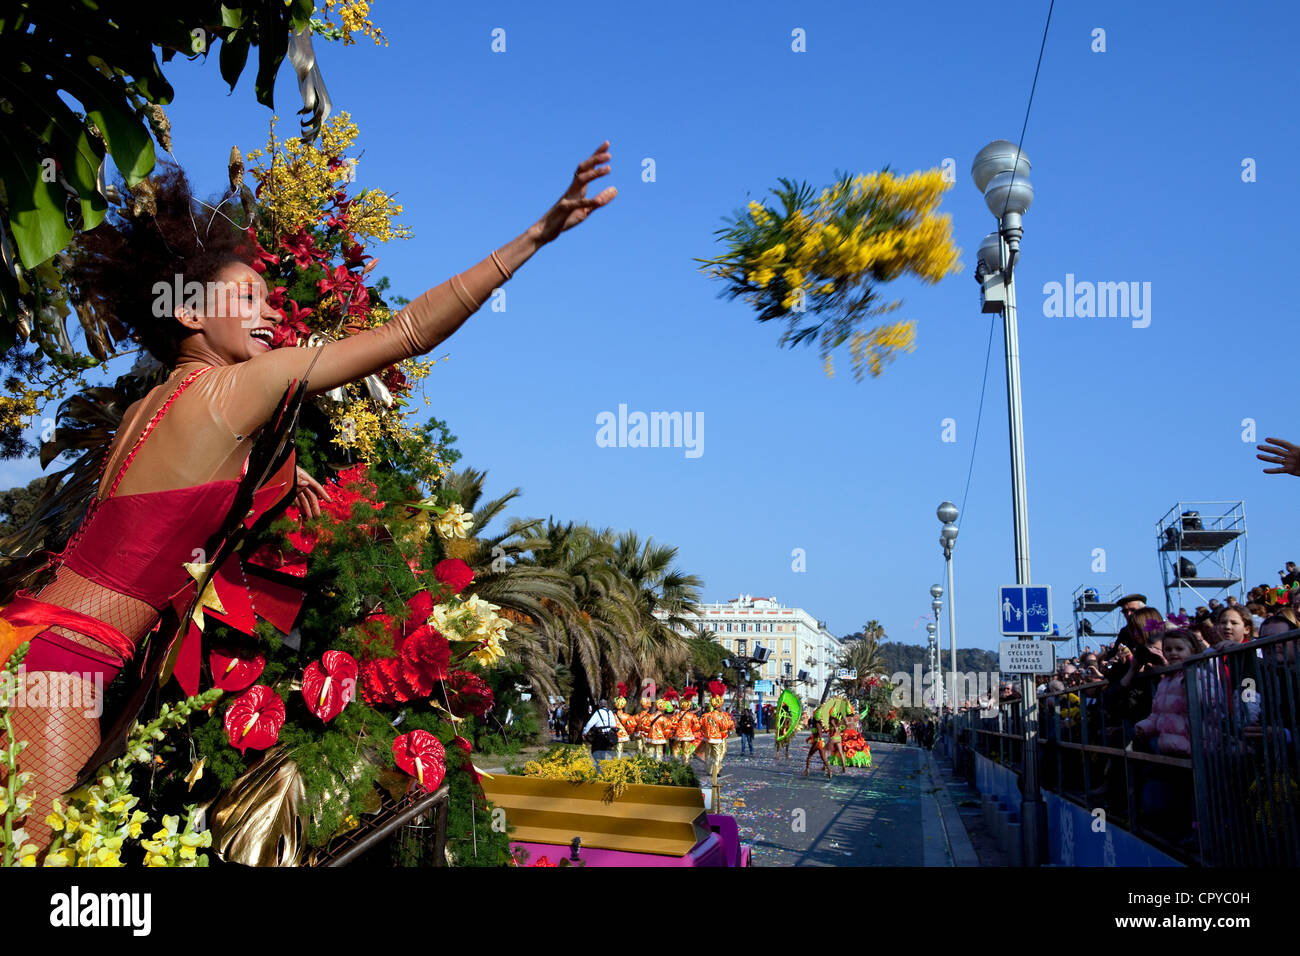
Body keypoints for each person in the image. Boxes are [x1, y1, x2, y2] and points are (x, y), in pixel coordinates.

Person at [0, 143, 616, 850]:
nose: (272, 315)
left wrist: (282, 479)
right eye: (247, 299)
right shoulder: (234, 390)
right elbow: (404, 334)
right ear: (193, 316)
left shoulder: (150, 404)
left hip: (31, 637)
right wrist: (537, 235)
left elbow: (166, 510)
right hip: (64, 662)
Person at [583, 698, 620, 764]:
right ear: (606, 705)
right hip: (609, 735)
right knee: (604, 752)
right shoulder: (610, 712)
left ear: (600, 705)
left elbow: (590, 723)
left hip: (600, 736)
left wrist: (584, 732)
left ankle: (598, 767)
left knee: (595, 751)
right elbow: (614, 724)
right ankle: (602, 765)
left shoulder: (598, 712)